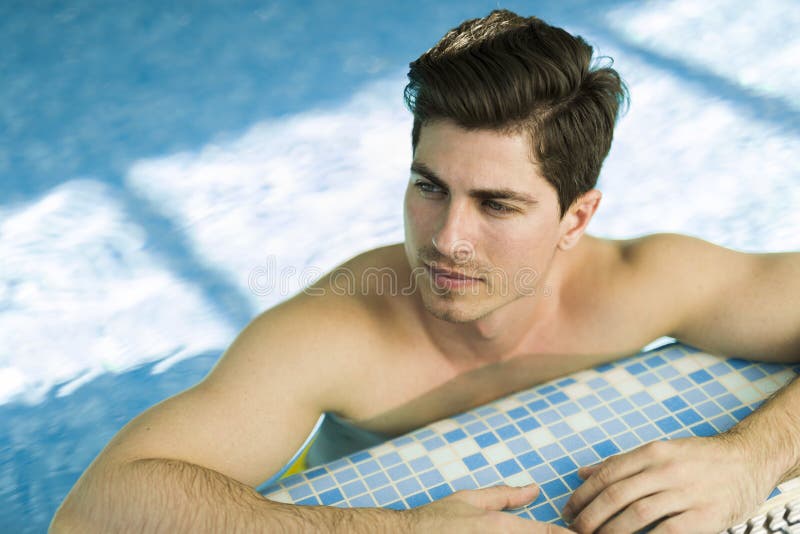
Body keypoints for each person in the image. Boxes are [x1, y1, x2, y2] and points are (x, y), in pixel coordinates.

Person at [51, 9, 799, 533]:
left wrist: (748, 459)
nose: (448, 240)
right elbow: (98, 509)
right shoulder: (337, 330)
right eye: (430, 187)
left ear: (575, 219)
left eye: (498, 205)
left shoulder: (647, 283)